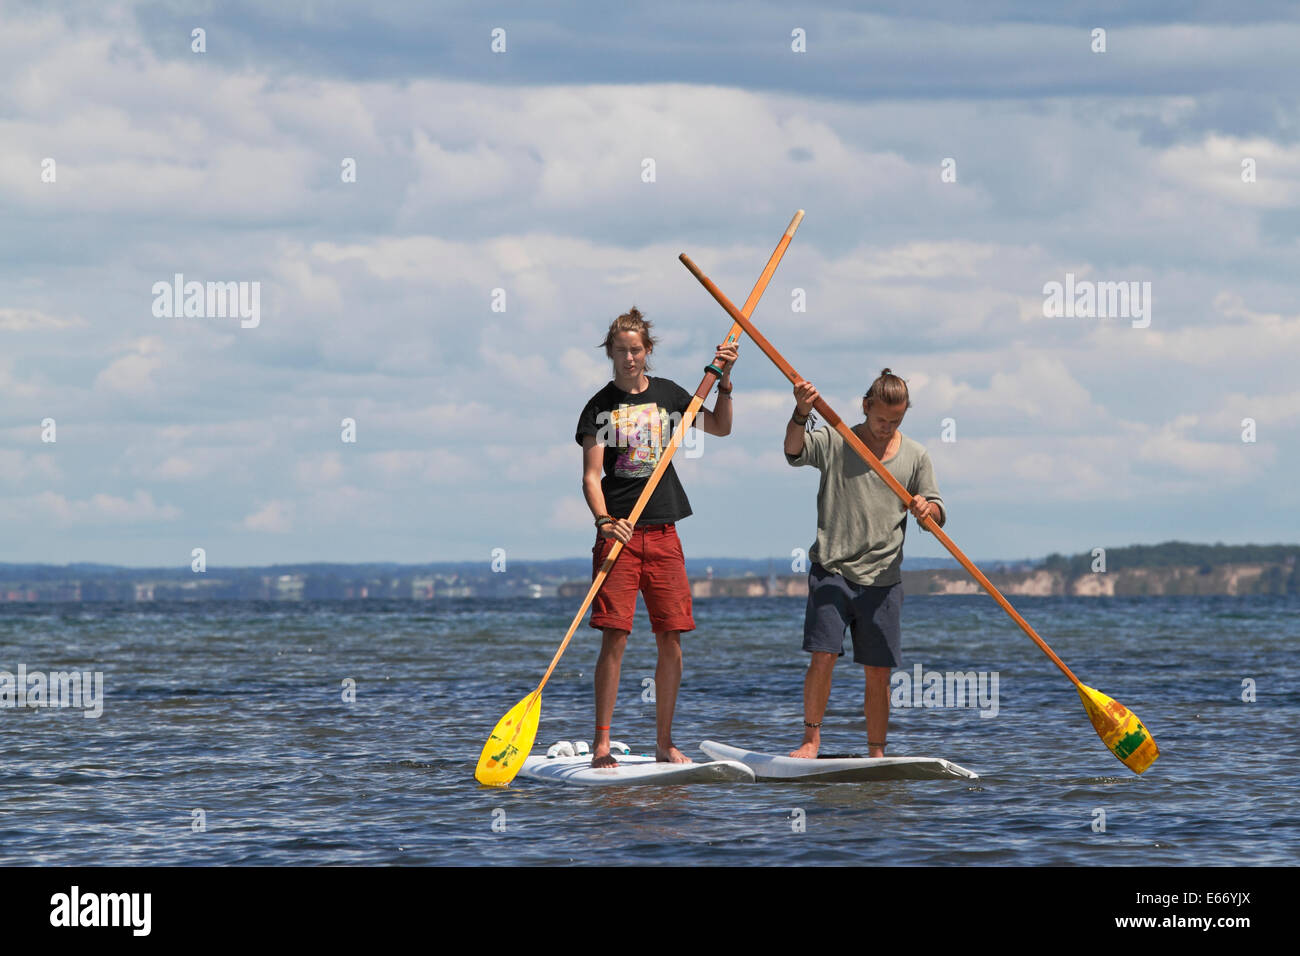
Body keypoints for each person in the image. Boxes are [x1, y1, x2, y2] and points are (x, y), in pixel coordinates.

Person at [574, 307, 738, 768]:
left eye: (637, 350)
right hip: (619, 537)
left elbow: (720, 427)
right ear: (610, 353)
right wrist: (605, 522)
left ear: (648, 351)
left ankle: (665, 742)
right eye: (622, 351)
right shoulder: (599, 406)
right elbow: (590, 477)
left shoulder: (669, 395)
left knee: (672, 636)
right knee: (615, 638)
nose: (630, 358)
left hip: (664, 532)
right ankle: (602, 744)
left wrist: (723, 382)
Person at [783, 368, 945, 759]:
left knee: (879, 672)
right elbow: (793, 452)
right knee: (823, 656)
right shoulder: (839, 437)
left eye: (895, 421)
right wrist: (801, 412)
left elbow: (938, 512)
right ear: (865, 406)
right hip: (832, 570)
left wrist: (928, 509)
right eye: (880, 420)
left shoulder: (916, 456)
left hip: (884, 578)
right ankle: (811, 740)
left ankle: (876, 752)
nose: (886, 428)